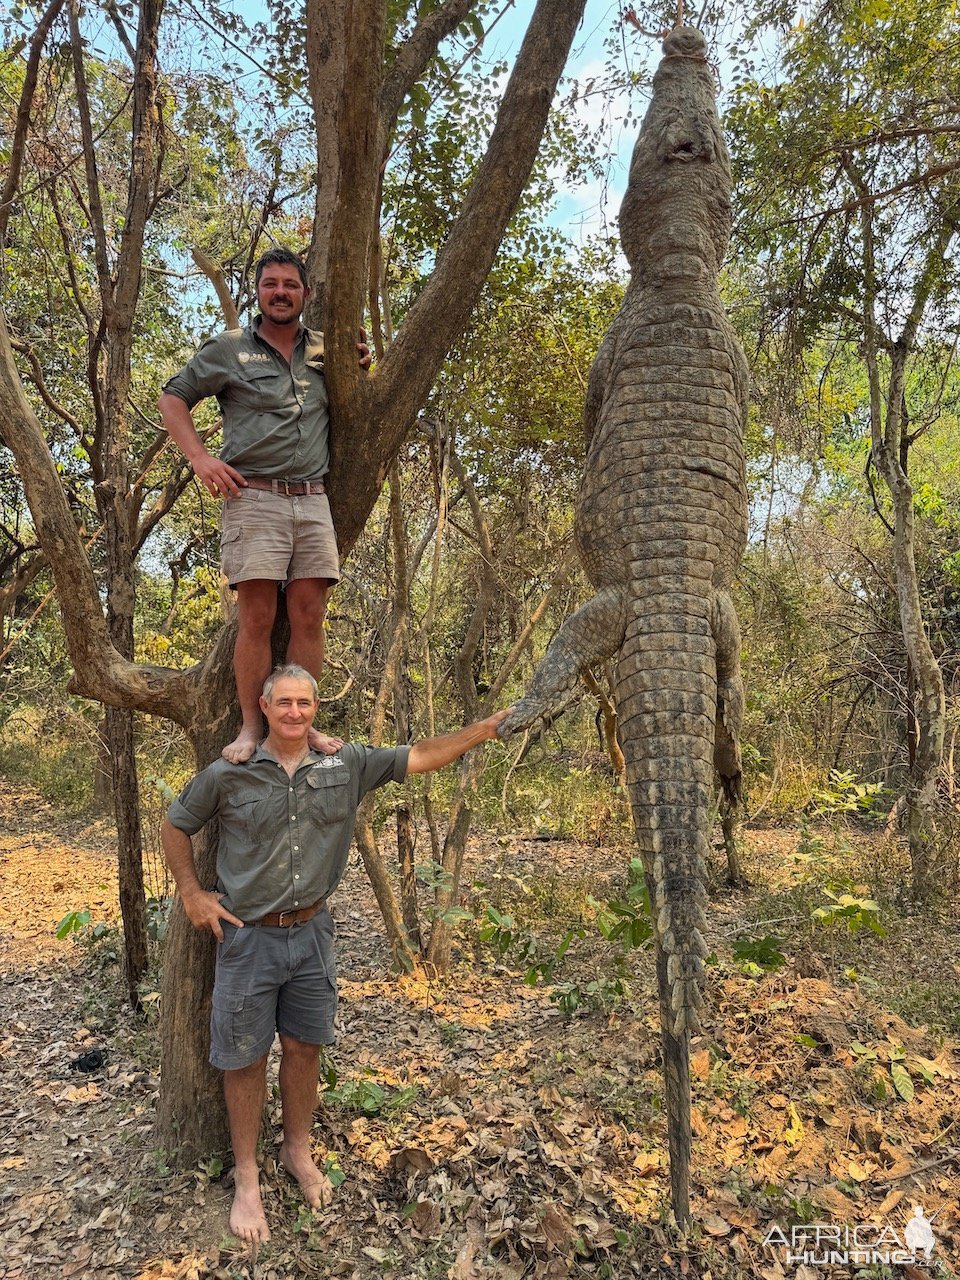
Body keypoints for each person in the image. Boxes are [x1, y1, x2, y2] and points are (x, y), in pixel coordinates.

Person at [161, 663, 510, 1244]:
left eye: (305, 703)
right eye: (284, 703)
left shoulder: (344, 763)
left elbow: (420, 755)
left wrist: (485, 729)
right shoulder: (229, 773)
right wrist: (193, 895)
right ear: (265, 708)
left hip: (313, 934)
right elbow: (176, 825)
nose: (295, 713)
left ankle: (297, 1150)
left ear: (314, 708)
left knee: (304, 1046)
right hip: (246, 937)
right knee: (244, 1057)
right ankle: (247, 1177)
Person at [158, 249, 370, 765]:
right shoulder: (230, 349)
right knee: (256, 616)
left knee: (310, 614)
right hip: (252, 496)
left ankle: (303, 727)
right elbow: (174, 397)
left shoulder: (326, 349)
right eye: (271, 283)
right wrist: (200, 458)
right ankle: (252, 728)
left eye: (290, 285)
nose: (281, 292)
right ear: (258, 291)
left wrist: (362, 364)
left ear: (306, 293)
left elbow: (359, 389)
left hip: (313, 498)